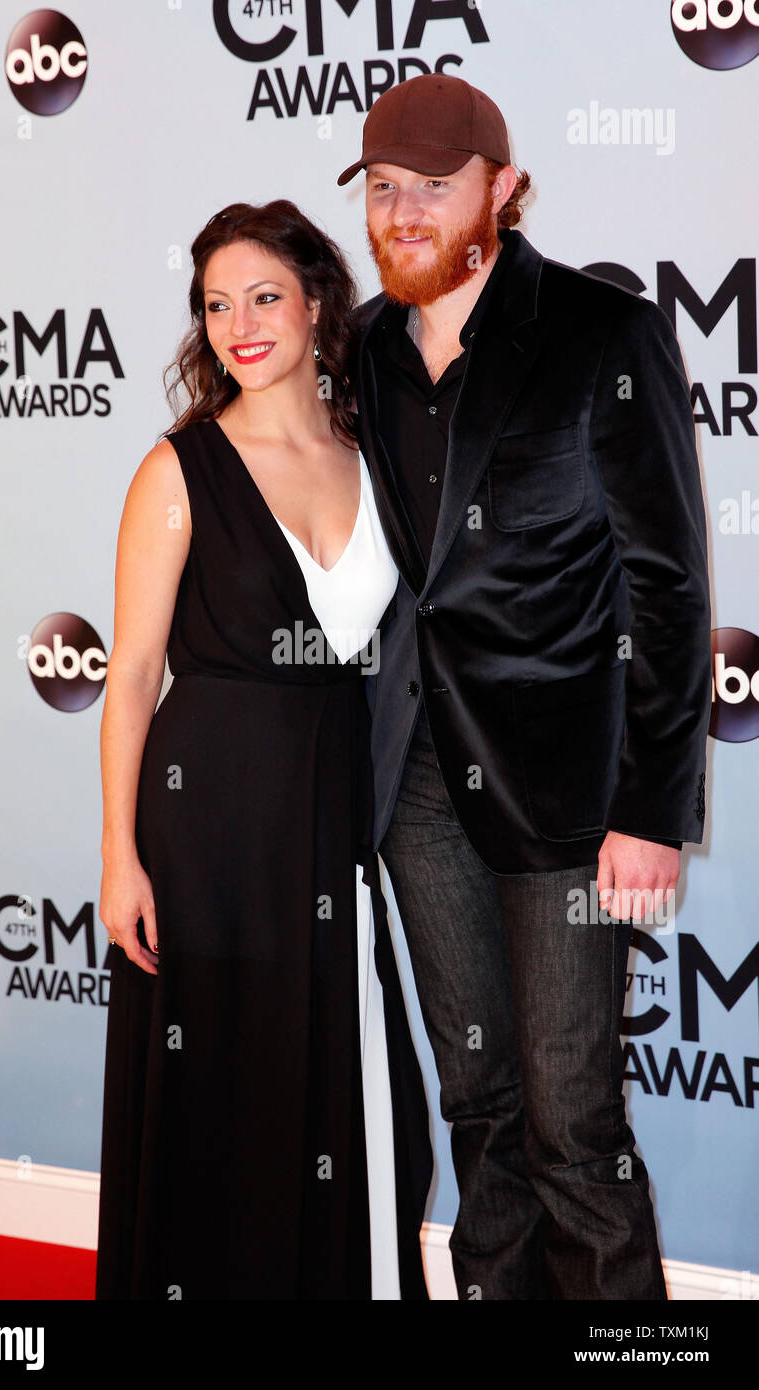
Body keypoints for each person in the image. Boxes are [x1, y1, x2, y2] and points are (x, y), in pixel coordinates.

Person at [338, 74, 711, 1300]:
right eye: (383, 189)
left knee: (571, 1126)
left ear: (501, 188)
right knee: (480, 1110)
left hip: (569, 799)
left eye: (431, 188)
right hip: (422, 792)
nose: (401, 214)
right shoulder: (370, 352)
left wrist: (652, 808)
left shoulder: (600, 334)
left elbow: (664, 585)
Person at [94, 199, 432, 1301]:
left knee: (342, 1087)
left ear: (316, 300)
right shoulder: (179, 468)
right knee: (216, 1102)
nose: (240, 323)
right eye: (216, 305)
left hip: (332, 818)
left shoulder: (369, 449)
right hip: (205, 827)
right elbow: (133, 676)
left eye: (263, 296)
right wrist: (118, 856)